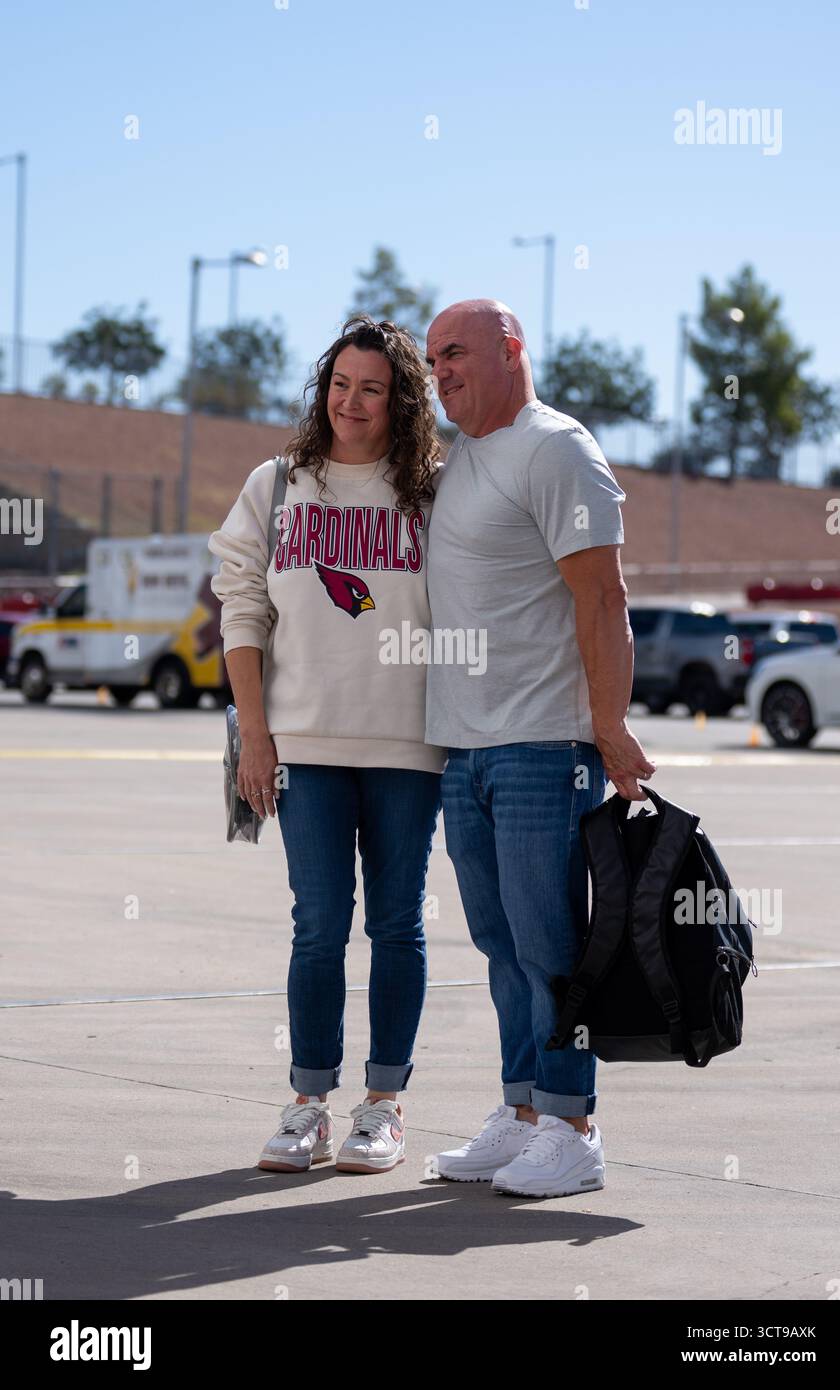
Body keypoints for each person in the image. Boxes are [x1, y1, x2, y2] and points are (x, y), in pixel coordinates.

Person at [424, 298, 656, 1198]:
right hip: (466, 748)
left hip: (541, 745)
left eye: (456, 353)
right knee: (499, 942)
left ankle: (572, 1126)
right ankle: (521, 1111)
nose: (440, 370)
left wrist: (608, 727)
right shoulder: (465, 458)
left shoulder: (557, 449)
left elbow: (604, 600)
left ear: (511, 351)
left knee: (549, 941)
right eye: (433, 358)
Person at [208, 315, 444, 1176]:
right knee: (318, 926)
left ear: (399, 400)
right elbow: (243, 610)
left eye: (372, 388)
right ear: (324, 390)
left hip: (409, 746)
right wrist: (255, 738)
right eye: (341, 384)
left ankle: (382, 1107)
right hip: (301, 742)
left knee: (396, 926)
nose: (352, 401)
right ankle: (307, 1104)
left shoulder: (433, 492)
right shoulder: (278, 485)